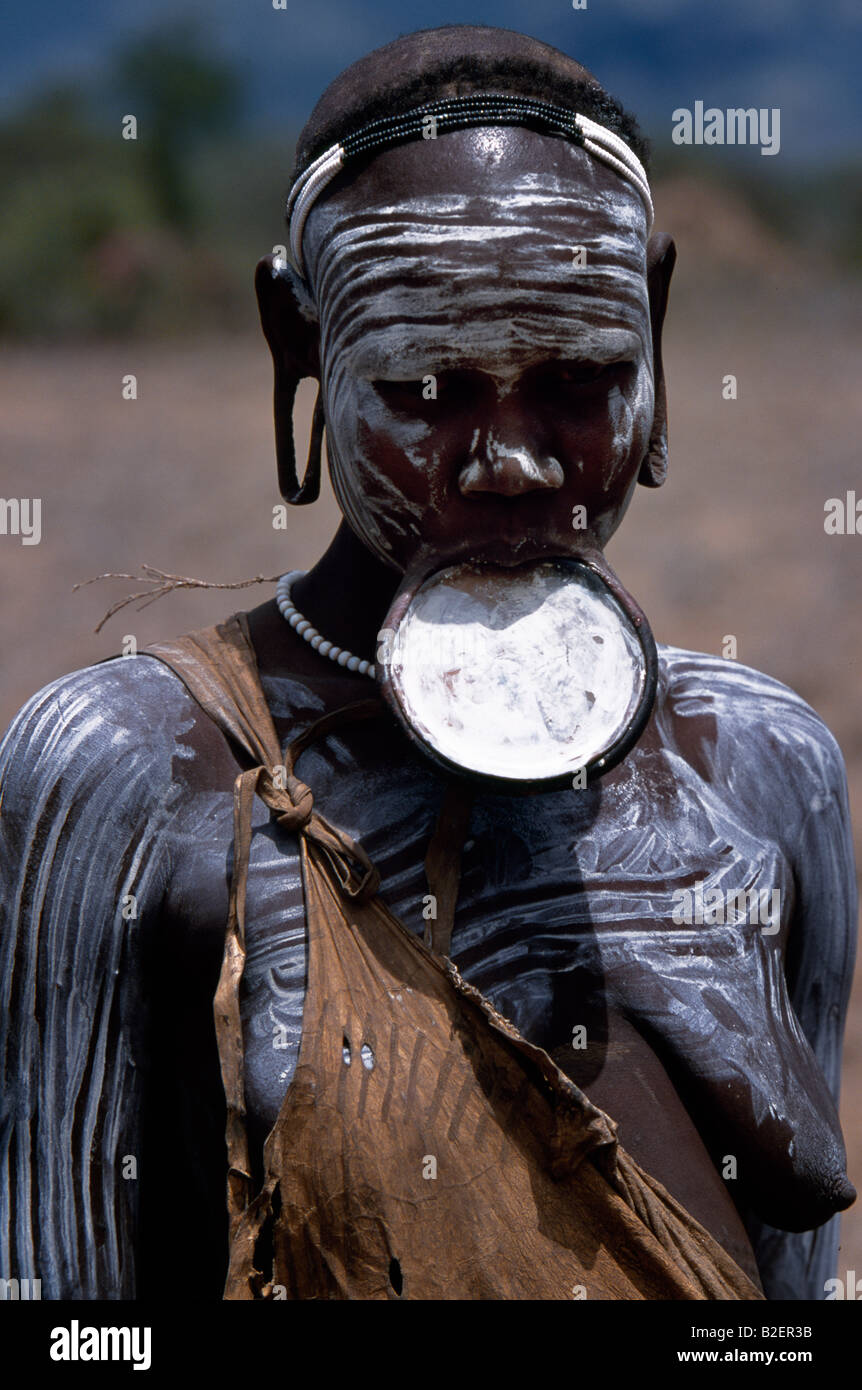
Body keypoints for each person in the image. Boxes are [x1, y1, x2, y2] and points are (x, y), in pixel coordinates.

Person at [0, 25, 855, 1301]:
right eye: (427, 388)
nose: (508, 458)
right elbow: (63, 1323)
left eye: (579, 382)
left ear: (657, 329)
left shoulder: (763, 763)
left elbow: (790, 1302)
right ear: (300, 345)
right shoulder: (133, 775)